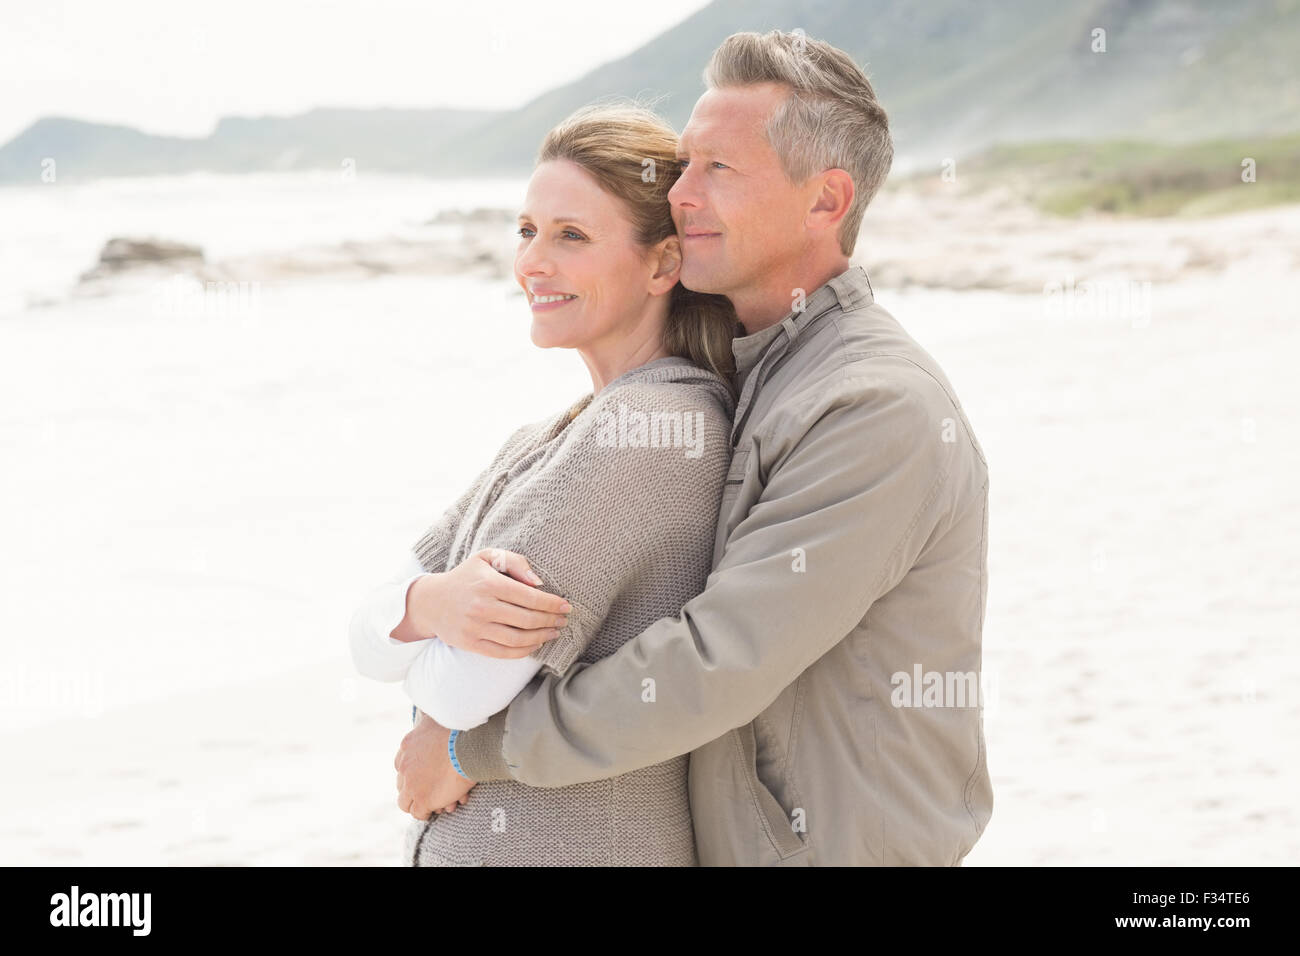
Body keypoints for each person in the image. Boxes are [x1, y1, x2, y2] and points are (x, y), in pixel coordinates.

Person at [395, 29, 994, 866]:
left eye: (718, 168)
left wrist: (472, 749)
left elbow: (717, 661)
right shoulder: (751, 375)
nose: (680, 194)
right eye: (683, 166)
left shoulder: (873, 405)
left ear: (825, 201)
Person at [349, 102, 739, 865]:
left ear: (663, 264)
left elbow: (461, 692)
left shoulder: (650, 431)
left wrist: (421, 652)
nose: (532, 262)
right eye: (527, 231)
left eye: (571, 236)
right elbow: (363, 640)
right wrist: (430, 604)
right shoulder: (544, 439)